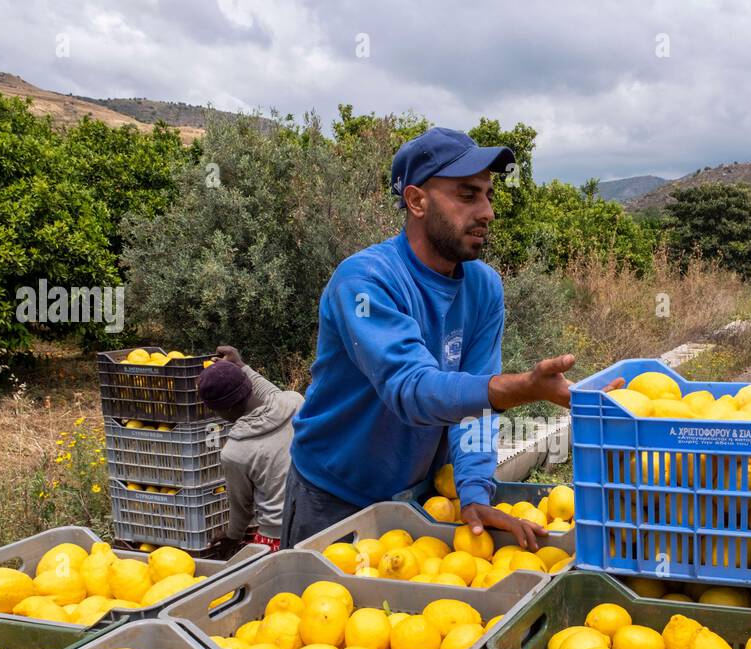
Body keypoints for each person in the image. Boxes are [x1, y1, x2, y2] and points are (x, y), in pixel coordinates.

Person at [282, 126, 618, 550]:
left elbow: (473, 406)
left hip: (419, 496)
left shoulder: (483, 288)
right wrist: (521, 389)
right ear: (416, 201)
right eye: (467, 195)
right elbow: (411, 389)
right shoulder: (365, 282)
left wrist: (475, 490)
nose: (487, 212)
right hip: (333, 498)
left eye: (488, 195)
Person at [197, 346, 303, 552]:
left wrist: (232, 537)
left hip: (279, 537)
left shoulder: (235, 452)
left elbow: (242, 510)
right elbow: (273, 394)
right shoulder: (295, 402)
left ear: (223, 409)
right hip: (317, 521)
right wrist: (241, 366)